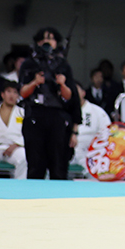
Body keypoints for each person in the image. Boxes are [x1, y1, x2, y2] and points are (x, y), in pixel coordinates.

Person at [17, 27, 78, 180]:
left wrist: (62, 84)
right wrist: (35, 82)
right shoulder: (29, 64)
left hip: (57, 116)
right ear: (37, 42)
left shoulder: (63, 64)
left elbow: (70, 96)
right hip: (35, 115)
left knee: (58, 164)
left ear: (56, 42)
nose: (47, 41)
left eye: (50, 38)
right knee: (35, 164)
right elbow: (22, 92)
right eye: (43, 38)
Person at [0, 79, 27, 179]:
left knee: (24, 158)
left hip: (14, 148)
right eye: (9, 91)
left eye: (15, 92)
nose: (11, 95)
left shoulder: (22, 113)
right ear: (3, 94)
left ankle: (20, 189)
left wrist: (16, 145)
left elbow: (27, 133)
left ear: (18, 96)